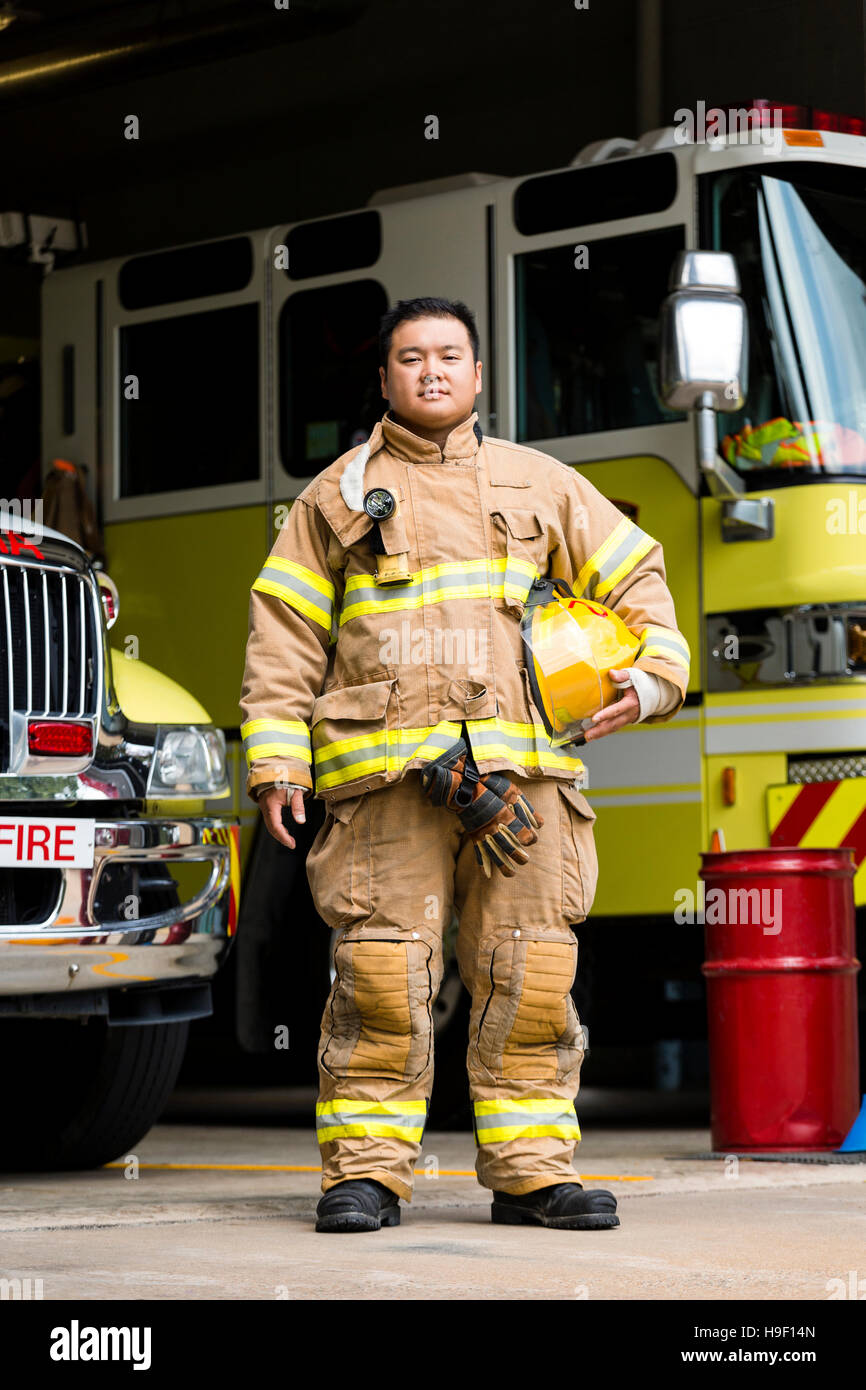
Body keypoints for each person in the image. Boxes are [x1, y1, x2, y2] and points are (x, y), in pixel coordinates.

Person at [239, 296, 689, 1233]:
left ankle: (533, 1172)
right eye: (411, 358)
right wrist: (278, 760)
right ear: (386, 378)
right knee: (380, 975)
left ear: (480, 376)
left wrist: (652, 681)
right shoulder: (335, 498)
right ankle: (363, 1174)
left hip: (525, 786)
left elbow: (640, 577)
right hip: (386, 791)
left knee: (530, 976)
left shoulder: (544, 484)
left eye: (450, 356)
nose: (432, 371)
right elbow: (283, 637)